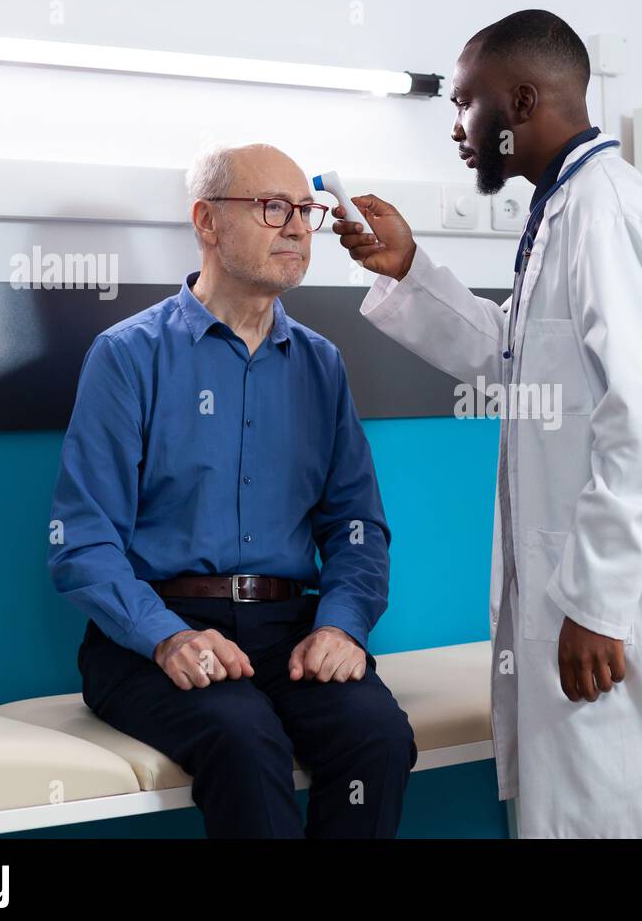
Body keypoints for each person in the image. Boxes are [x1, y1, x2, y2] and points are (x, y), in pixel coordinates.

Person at [334, 9, 642, 838]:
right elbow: (517, 365)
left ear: (524, 100)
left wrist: (599, 604)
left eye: (465, 104)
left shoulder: (608, 211)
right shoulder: (562, 212)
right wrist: (410, 270)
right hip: (585, 617)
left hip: (626, 618)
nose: (457, 129)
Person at [48, 143, 416, 838]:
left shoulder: (320, 365)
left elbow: (356, 527)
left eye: (306, 210)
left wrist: (342, 624)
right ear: (207, 222)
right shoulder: (128, 356)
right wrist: (166, 638)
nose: (298, 227)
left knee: (377, 738)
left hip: (291, 631)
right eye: (273, 208)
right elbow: (83, 544)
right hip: (154, 635)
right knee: (244, 741)